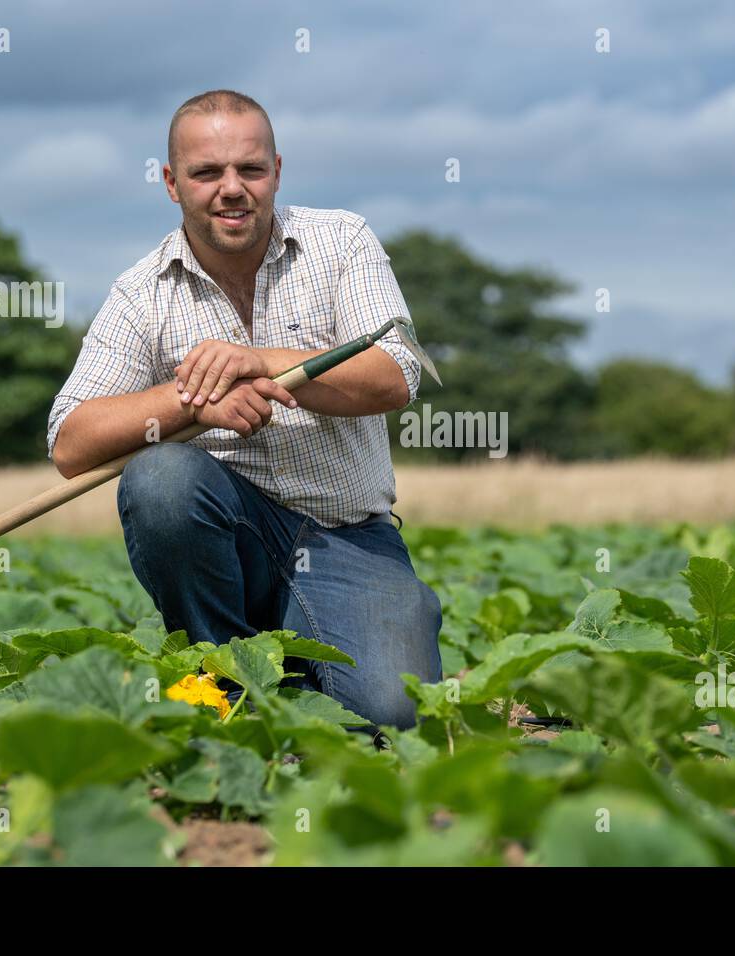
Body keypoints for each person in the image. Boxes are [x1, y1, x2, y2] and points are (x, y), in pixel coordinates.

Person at [46, 90, 442, 736]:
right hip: (232, 540)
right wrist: (192, 399)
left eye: (250, 170)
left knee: (395, 721)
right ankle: (219, 679)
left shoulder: (342, 243)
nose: (232, 189)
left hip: (347, 537)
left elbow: (396, 373)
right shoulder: (140, 294)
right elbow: (70, 443)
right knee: (161, 480)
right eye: (207, 173)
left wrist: (260, 361)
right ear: (172, 184)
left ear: (277, 172)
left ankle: (292, 665)